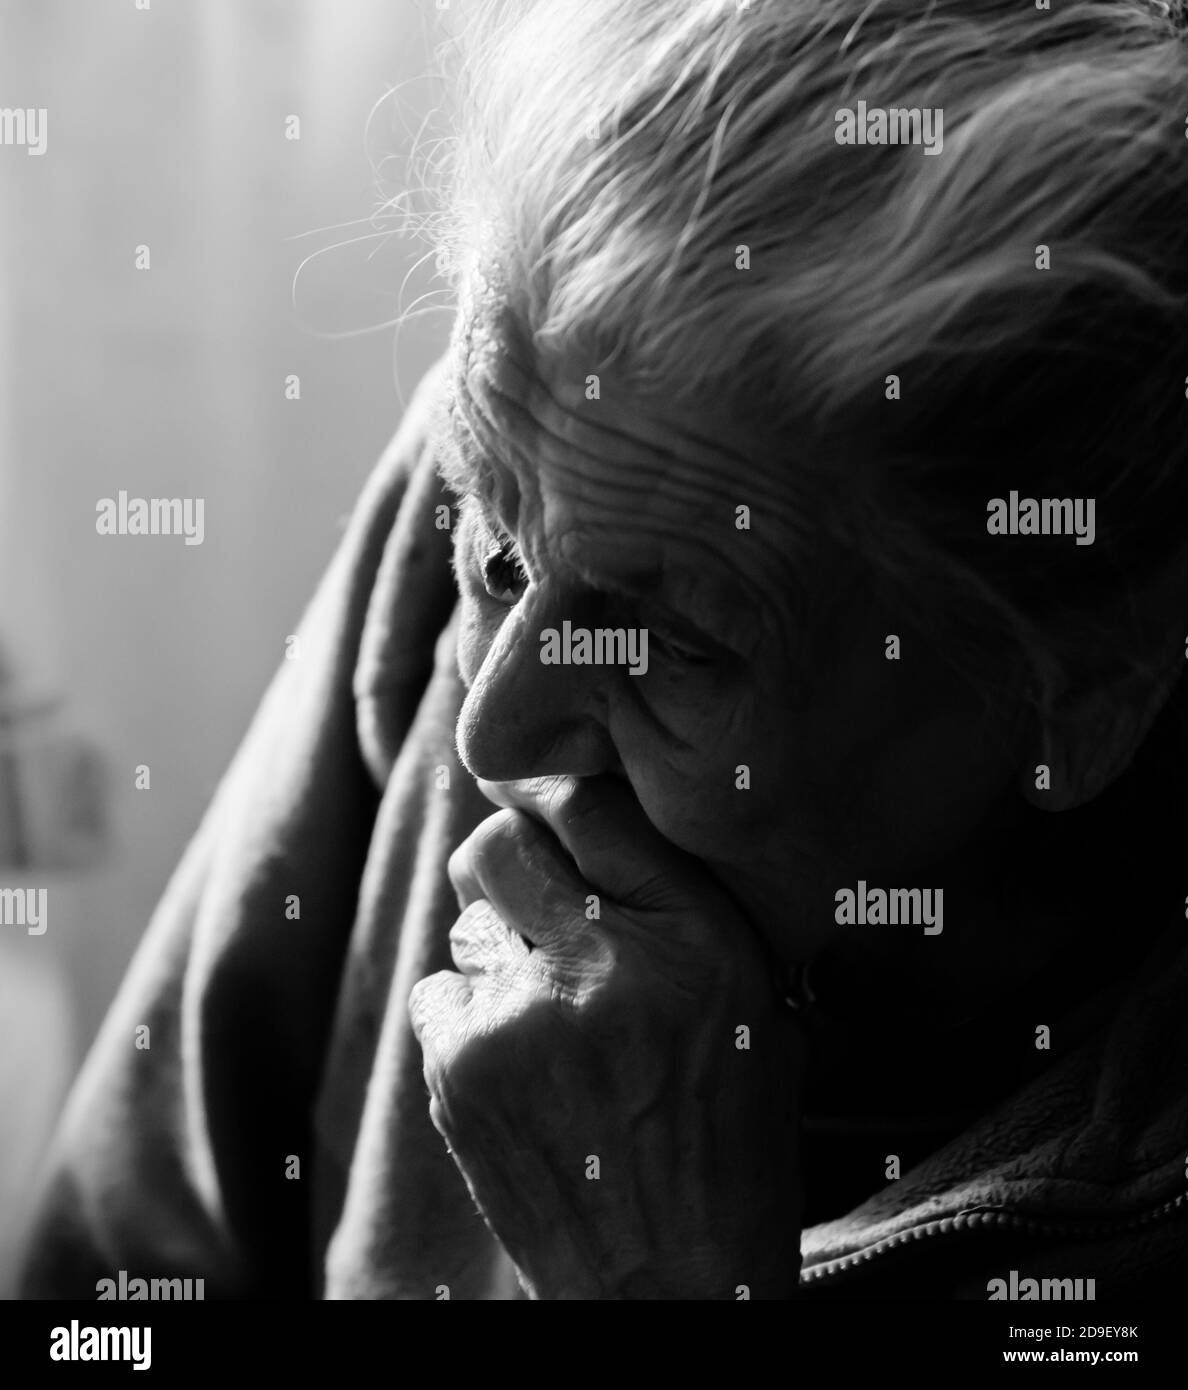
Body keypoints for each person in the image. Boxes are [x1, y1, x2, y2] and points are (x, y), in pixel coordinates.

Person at [20, 0, 1188, 1299]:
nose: (489, 732)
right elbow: (115, 1282)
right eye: (497, 562)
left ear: (1087, 690)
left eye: (671, 649)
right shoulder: (563, 437)